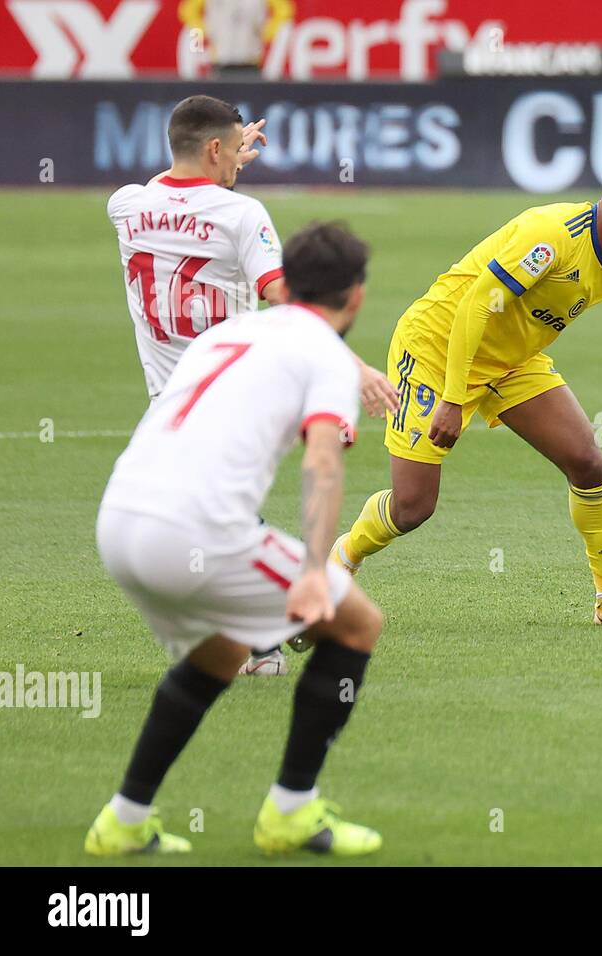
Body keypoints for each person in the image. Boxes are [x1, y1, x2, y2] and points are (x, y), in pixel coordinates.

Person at [86, 222, 385, 857]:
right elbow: (323, 464)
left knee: (220, 653)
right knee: (356, 623)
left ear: (290, 281)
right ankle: (292, 813)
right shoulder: (327, 354)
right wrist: (312, 570)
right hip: (194, 530)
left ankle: (125, 818)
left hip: (118, 519)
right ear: (355, 296)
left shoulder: (229, 331)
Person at [332, 153, 602, 628]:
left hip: (512, 362)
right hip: (439, 349)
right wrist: (454, 399)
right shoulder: (552, 236)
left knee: (587, 461)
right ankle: (342, 559)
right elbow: (475, 308)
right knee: (414, 506)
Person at [107, 94, 397, 674]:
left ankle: (250, 630)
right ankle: (277, 625)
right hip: (234, 390)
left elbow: (180, 201)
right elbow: (285, 296)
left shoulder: (125, 205)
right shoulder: (243, 215)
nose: (243, 159)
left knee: (214, 513)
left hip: (169, 401)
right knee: (227, 515)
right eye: (235, 150)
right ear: (216, 148)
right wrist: (352, 365)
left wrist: (222, 167)